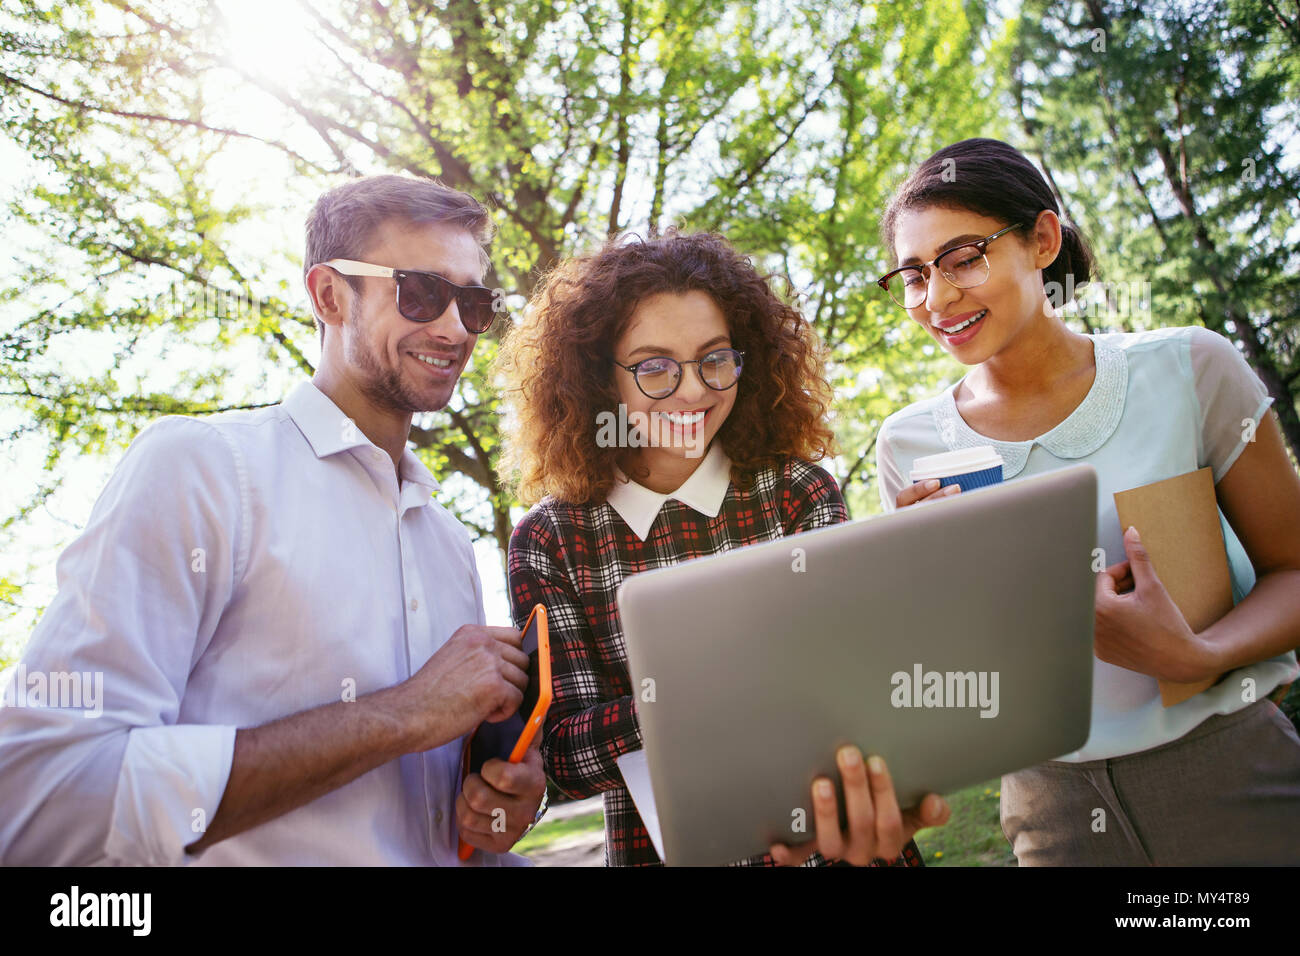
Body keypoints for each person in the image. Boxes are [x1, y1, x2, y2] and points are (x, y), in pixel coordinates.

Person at [0, 174, 547, 865]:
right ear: (328, 295)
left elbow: (447, 831)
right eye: (422, 292)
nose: (452, 327)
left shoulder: (446, 542)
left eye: (474, 302)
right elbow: (42, 797)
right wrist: (404, 713)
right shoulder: (201, 470)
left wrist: (499, 813)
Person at [874, 137, 1300, 865]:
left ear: (1042, 239)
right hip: (1052, 815)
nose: (936, 298)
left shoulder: (1191, 369)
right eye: (914, 274)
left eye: (964, 257)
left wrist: (1199, 651)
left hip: (1233, 775)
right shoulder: (908, 446)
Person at [497, 230, 951, 867]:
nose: (692, 392)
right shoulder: (550, 542)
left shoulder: (796, 493)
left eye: (715, 359)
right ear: (600, 378)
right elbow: (566, 759)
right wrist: (694, 695)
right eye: (655, 368)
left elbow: (854, 689)